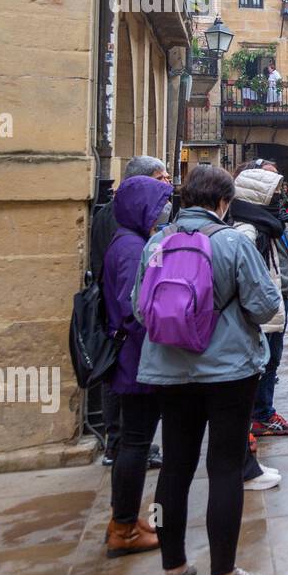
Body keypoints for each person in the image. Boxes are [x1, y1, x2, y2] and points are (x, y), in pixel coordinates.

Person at [132, 164, 281, 575]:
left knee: (176, 466)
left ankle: (173, 570)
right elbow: (264, 304)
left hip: (171, 372)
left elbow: (140, 309)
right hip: (229, 372)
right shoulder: (234, 241)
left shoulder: (157, 243)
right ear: (224, 202)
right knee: (224, 468)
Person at [101, 173, 173, 557]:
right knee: (135, 443)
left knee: (134, 441)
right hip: (136, 357)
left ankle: (123, 518)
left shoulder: (128, 240)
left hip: (132, 355)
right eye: (158, 203)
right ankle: (125, 527)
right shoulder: (131, 247)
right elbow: (135, 307)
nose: (162, 211)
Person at [90, 155, 170, 470]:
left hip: (122, 333)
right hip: (127, 340)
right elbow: (131, 301)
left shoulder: (130, 231)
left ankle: (123, 444)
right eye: (160, 179)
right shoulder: (129, 240)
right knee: (131, 430)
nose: (167, 185)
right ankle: (117, 445)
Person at [230, 162, 288, 440]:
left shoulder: (267, 225)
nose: (279, 198)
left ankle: (263, 412)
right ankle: (257, 419)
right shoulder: (248, 231)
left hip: (275, 304)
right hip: (261, 314)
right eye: (273, 193)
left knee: (271, 363)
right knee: (261, 365)